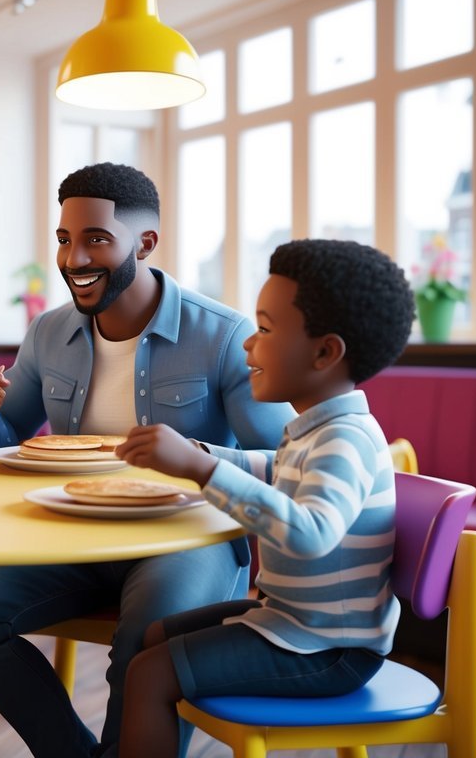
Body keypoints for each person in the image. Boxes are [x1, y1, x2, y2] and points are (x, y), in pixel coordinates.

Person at [0, 162, 296, 757]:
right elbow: (12, 430)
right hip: (72, 535)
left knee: (150, 644)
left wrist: (195, 457)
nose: (73, 259)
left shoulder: (221, 334)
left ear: (145, 243)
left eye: (95, 239)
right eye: (64, 239)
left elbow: (293, 458)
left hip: (188, 538)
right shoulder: (46, 332)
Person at [115, 239, 416, 758]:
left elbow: (311, 532)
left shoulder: (346, 439)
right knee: (154, 633)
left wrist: (201, 468)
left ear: (325, 352)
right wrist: (198, 453)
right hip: (295, 622)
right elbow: (273, 470)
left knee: (149, 674)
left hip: (329, 648)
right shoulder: (316, 430)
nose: (247, 346)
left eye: (266, 330)